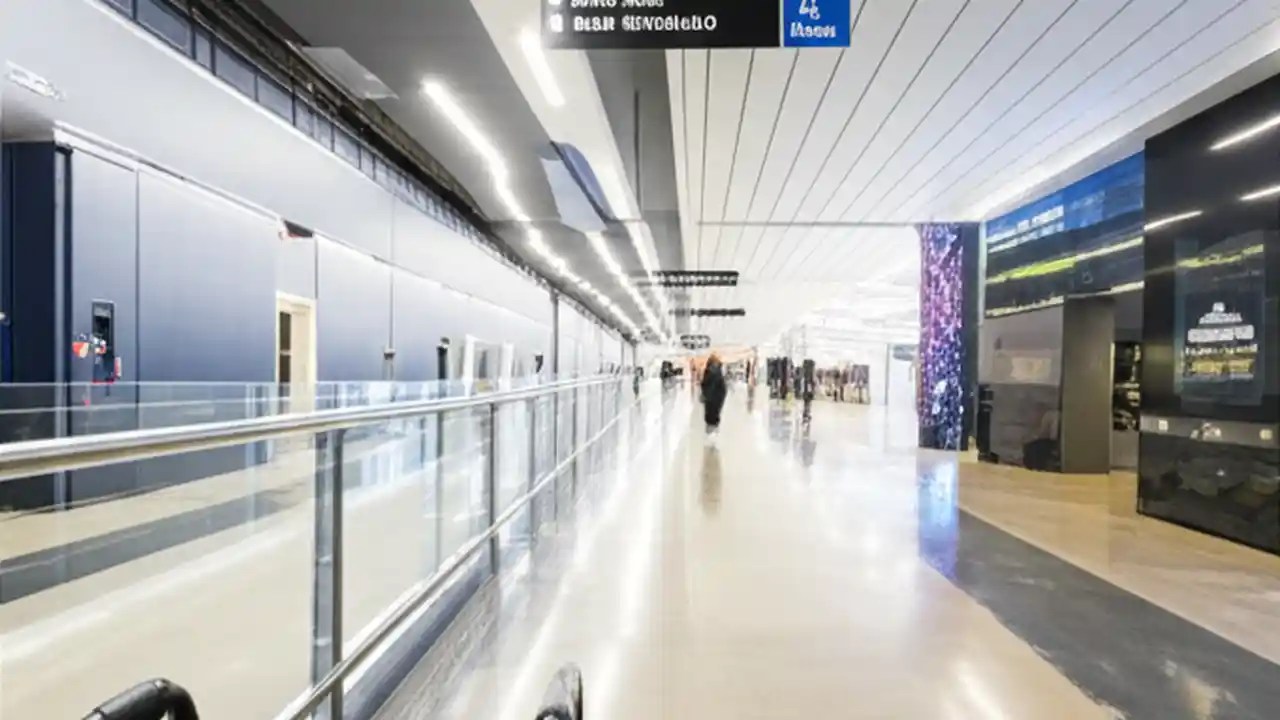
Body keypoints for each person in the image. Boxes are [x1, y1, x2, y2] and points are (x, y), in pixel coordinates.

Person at [701, 352, 728, 439]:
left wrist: (705, 395)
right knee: (714, 415)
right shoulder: (717, 371)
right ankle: (713, 434)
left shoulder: (712, 371)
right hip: (716, 398)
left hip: (712, 398)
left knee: (711, 415)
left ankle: (711, 436)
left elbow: (708, 385)